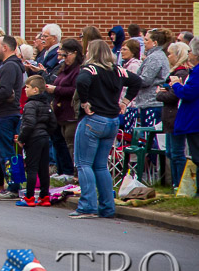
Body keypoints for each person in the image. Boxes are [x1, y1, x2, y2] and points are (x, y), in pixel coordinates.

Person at [70, 40, 142, 219]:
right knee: (101, 166)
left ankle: (87, 206)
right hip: (112, 121)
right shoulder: (117, 70)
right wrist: (125, 101)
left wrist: (85, 102)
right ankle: (107, 207)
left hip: (93, 120)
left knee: (84, 164)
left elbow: (81, 82)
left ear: (92, 53)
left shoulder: (90, 69)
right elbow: (136, 81)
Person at [0, 36, 24, 200]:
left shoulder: (10, 66)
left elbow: (6, 91)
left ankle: (14, 187)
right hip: (5, 115)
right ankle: (15, 185)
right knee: (11, 153)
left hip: (4, 116)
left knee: (8, 154)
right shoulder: (10, 65)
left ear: (5, 48)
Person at [16, 76, 57, 207]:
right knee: (43, 169)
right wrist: (45, 133)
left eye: (27, 87)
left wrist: (22, 138)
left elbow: (29, 124)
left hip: (33, 138)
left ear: (35, 90)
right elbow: (53, 123)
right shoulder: (46, 104)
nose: (25, 90)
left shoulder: (30, 104)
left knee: (32, 168)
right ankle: (45, 196)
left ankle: (29, 197)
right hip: (44, 137)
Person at [49, 38, 83, 180]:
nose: (64, 58)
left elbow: (75, 90)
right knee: (59, 143)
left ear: (75, 53)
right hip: (59, 112)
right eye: (62, 55)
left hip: (70, 113)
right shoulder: (64, 69)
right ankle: (63, 170)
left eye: (66, 55)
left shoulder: (78, 70)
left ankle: (73, 173)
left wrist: (56, 89)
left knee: (71, 144)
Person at [158, 42, 189, 189]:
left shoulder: (181, 74)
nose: (168, 56)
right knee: (170, 152)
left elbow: (174, 95)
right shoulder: (174, 73)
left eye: (170, 54)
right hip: (170, 118)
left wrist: (160, 94)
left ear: (178, 55)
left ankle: (180, 184)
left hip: (175, 117)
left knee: (177, 153)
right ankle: (175, 183)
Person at [170, 37, 199, 168]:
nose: (188, 54)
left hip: (195, 120)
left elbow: (188, 93)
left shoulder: (197, 72)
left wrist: (176, 84)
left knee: (197, 158)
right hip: (193, 119)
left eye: (190, 51)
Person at [135, 28, 171, 129]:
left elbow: (146, 80)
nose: (144, 42)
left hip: (151, 103)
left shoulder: (154, 58)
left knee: (150, 135)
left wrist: (131, 79)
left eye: (146, 40)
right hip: (152, 102)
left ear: (155, 43)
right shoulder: (157, 56)